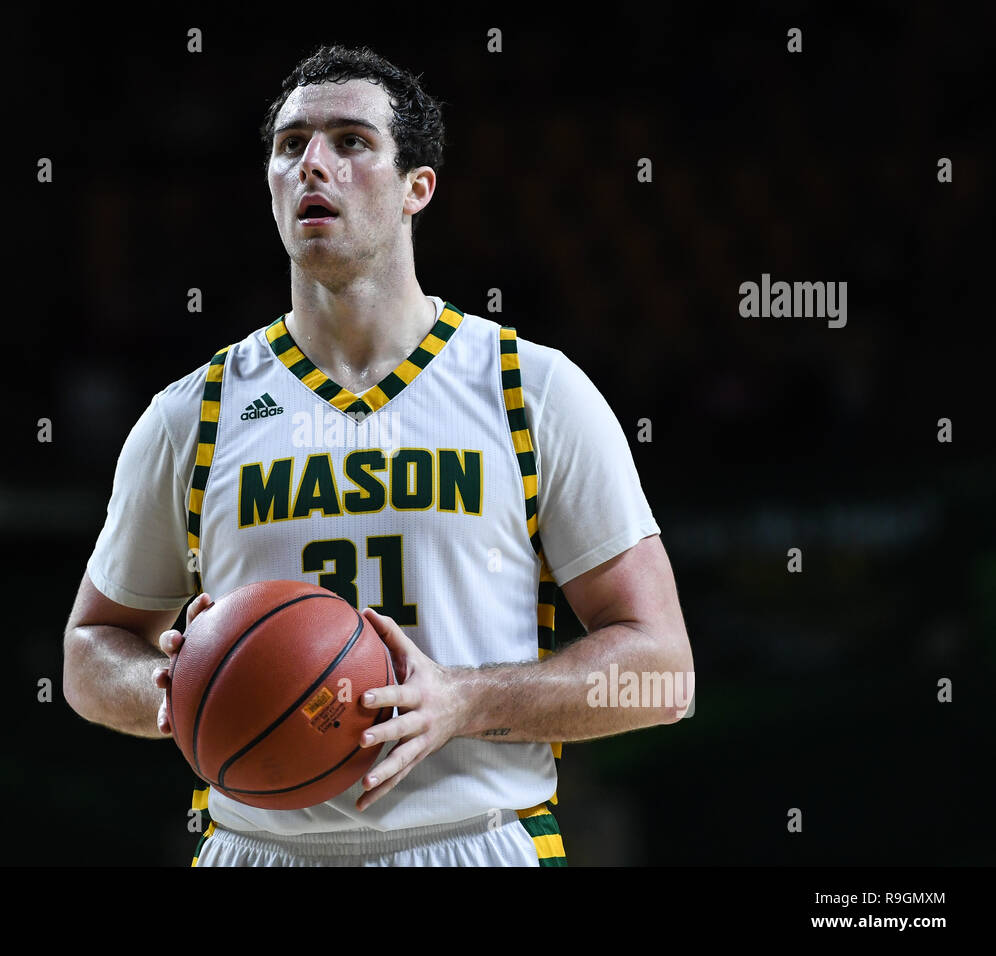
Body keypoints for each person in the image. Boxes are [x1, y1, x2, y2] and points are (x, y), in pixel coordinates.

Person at [62, 44, 693, 867]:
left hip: (473, 841)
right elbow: (88, 651)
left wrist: (462, 701)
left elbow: (662, 670)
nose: (313, 163)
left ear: (415, 188)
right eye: (291, 147)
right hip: (258, 846)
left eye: (350, 141)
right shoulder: (194, 413)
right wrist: (175, 689)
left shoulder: (528, 389)